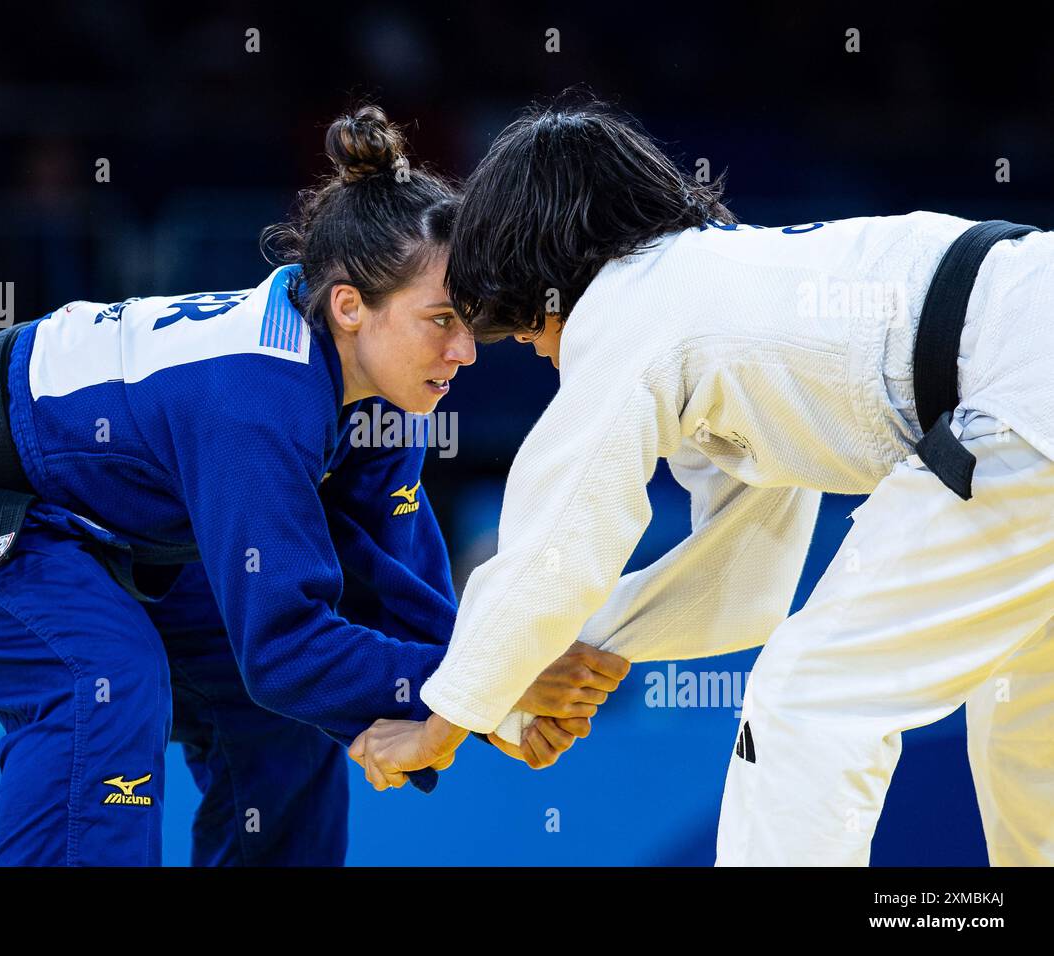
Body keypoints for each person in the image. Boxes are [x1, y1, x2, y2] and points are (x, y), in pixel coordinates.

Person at [0, 105, 624, 866]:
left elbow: (400, 600)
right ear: (348, 306)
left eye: (469, 323)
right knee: (104, 676)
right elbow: (288, 648)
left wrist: (492, 705)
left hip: (60, 515)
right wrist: (494, 681)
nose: (465, 352)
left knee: (276, 723)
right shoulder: (254, 401)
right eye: (442, 321)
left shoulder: (377, 400)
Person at [349, 97, 1054, 867]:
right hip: (1024, 369)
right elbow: (744, 576)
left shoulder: (630, 309)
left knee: (807, 701)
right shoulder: (723, 298)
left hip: (1018, 392)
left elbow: (551, 549)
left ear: (542, 273)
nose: (541, 356)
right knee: (1024, 711)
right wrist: (560, 655)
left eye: (523, 331)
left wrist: (439, 727)